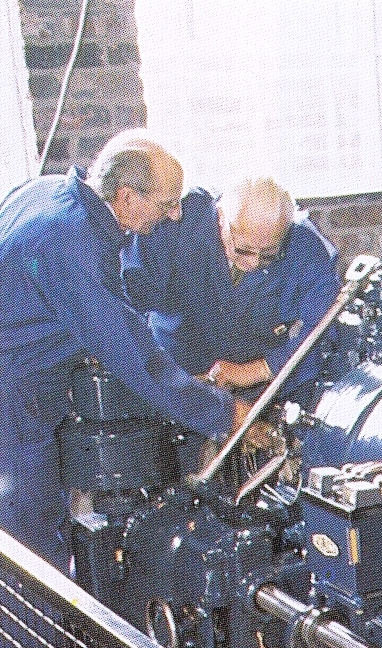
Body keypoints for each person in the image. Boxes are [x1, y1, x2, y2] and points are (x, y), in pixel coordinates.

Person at [0, 130, 245, 570]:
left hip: (22, 385)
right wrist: (223, 413)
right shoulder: (70, 239)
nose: (173, 216)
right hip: (13, 401)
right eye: (166, 203)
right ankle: (42, 638)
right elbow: (137, 358)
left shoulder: (50, 192)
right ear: (128, 196)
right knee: (31, 547)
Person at [124, 176, 339, 405]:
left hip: (265, 391)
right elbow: (127, 300)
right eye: (244, 250)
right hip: (179, 380)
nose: (255, 263)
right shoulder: (175, 221)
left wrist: (258, 370)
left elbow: (324, 330)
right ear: (221, 218)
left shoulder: (307, 249)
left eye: (268, 254)